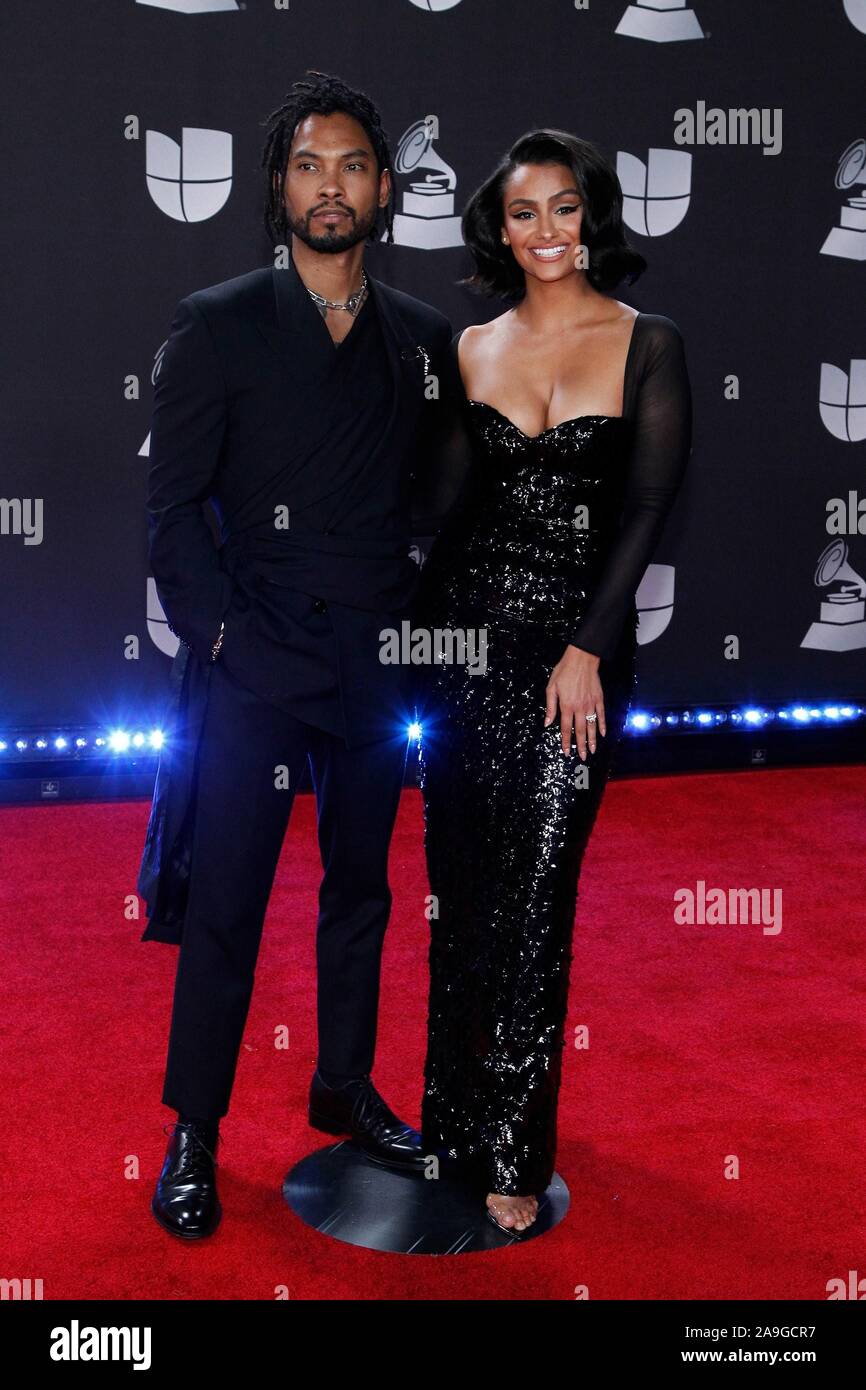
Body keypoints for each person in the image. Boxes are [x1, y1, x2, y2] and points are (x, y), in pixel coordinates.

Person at [137, 71, 453, 1239]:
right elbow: (171, 515)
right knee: (227, 903)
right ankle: (194, 1131)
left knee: (361, 890)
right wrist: (221, 637)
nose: (332, 185)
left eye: (353, 165)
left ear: (383, 187)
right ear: (277, 187)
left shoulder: (423, 340)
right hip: (254, 664)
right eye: (309, 164)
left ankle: (342, 1086)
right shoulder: (215, 322)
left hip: (373, 672)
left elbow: (440, 508)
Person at [411, 129, 693, 1235]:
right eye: (522, 213)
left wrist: (585, 647)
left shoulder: (646, 342)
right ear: (498, 228)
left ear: (592, 217)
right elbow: (439, 511)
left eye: (562, 208)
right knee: (460, 896)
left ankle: (513, 1150)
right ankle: (450, 1119)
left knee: (535, 904)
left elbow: (645, 509)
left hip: (569, 656)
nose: (544, 233)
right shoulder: (470, 346)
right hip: (458, 644)